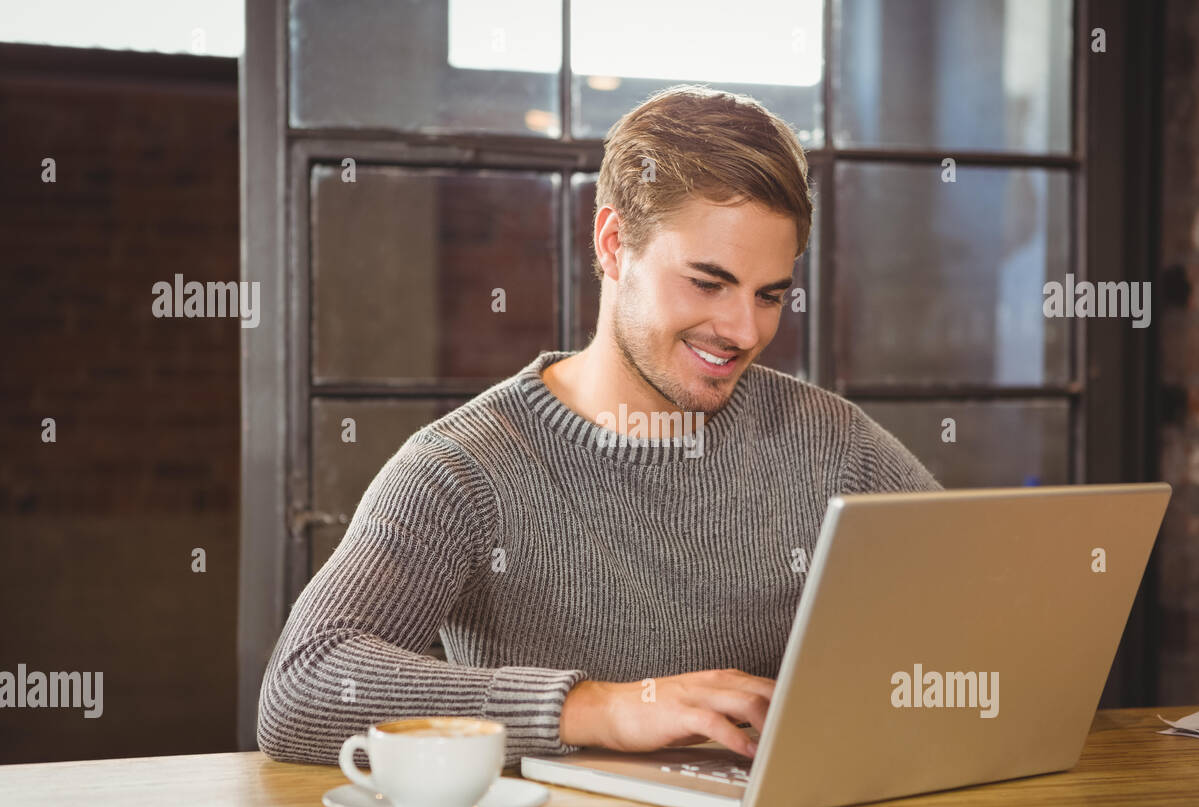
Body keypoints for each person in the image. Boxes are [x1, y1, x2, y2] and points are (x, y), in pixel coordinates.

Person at [257, 84, 941, 772]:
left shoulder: (831, 444)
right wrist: (601, 708)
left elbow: (987, 613)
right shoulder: (463, 467)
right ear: (614, 245)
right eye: (708, 282)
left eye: (769, 295)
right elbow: (301, 688)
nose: (744, 330)